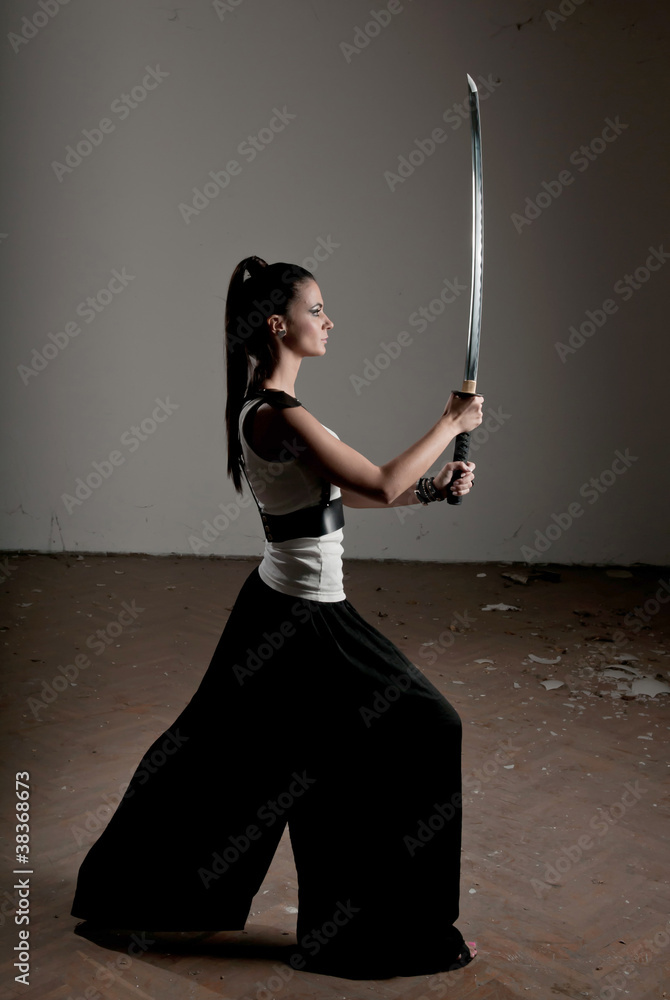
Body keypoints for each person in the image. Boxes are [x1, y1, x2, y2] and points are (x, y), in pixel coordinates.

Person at [70, 255, 484, 981]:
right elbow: (377, 482)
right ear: (278, 324)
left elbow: (348, 494)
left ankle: (366, 926)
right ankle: (384, 932)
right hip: (297, 624)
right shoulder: (271, 416)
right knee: (406, 731)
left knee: (307, 764)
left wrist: (431, 491)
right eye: (317, 309)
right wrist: (450, 422)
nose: (329, 321)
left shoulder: (277, 414)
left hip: (302, 616)